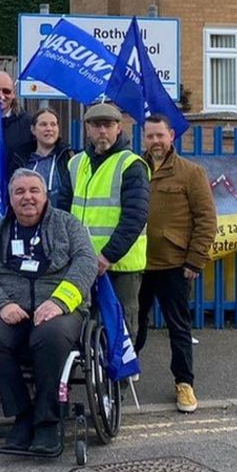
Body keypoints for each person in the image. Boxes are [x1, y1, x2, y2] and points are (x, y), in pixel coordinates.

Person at [0, 168, 97, 453]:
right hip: (10, 308)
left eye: (33, 191)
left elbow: (86, 263)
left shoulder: (68, 224)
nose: (27, 197)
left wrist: (59, 302)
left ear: (45, 195)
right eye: (19, 192)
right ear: (11, 198)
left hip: (59, 310)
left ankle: (47, 421)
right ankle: (22, 415)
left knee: (49, 337)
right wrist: (2, 304)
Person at [136, 114, 216, 413]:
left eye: (160, 135)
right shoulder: (135, 168)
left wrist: (195, 260)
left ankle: (184, 384)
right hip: (138, 263)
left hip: (174, 264)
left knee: (178, 328)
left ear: (171, 136)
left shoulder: (190, 173)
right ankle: (124, 374)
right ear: (143, 138)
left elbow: (206, 220)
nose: (155, 141)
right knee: (133, 324)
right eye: (150, 136)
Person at [68, 102, 150, 343]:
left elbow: (135, 217)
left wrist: (107, 256)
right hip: (82, 262)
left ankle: (122, 381)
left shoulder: (132, 164)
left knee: (120, 328)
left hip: (120, 266)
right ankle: (97, 377)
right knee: (83, 324)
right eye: (96, 125)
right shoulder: (75, 163)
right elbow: (62, 212)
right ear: (87, 129)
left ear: (118, 128)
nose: (102, 131)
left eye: (108, 125)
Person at [15, 108, 74, 213]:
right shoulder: (20, 160)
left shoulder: (69, 157)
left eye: (53, 124)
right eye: (43, 124)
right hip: (28, 221)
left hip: (60, 222)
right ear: (33, 129)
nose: (49, 129)